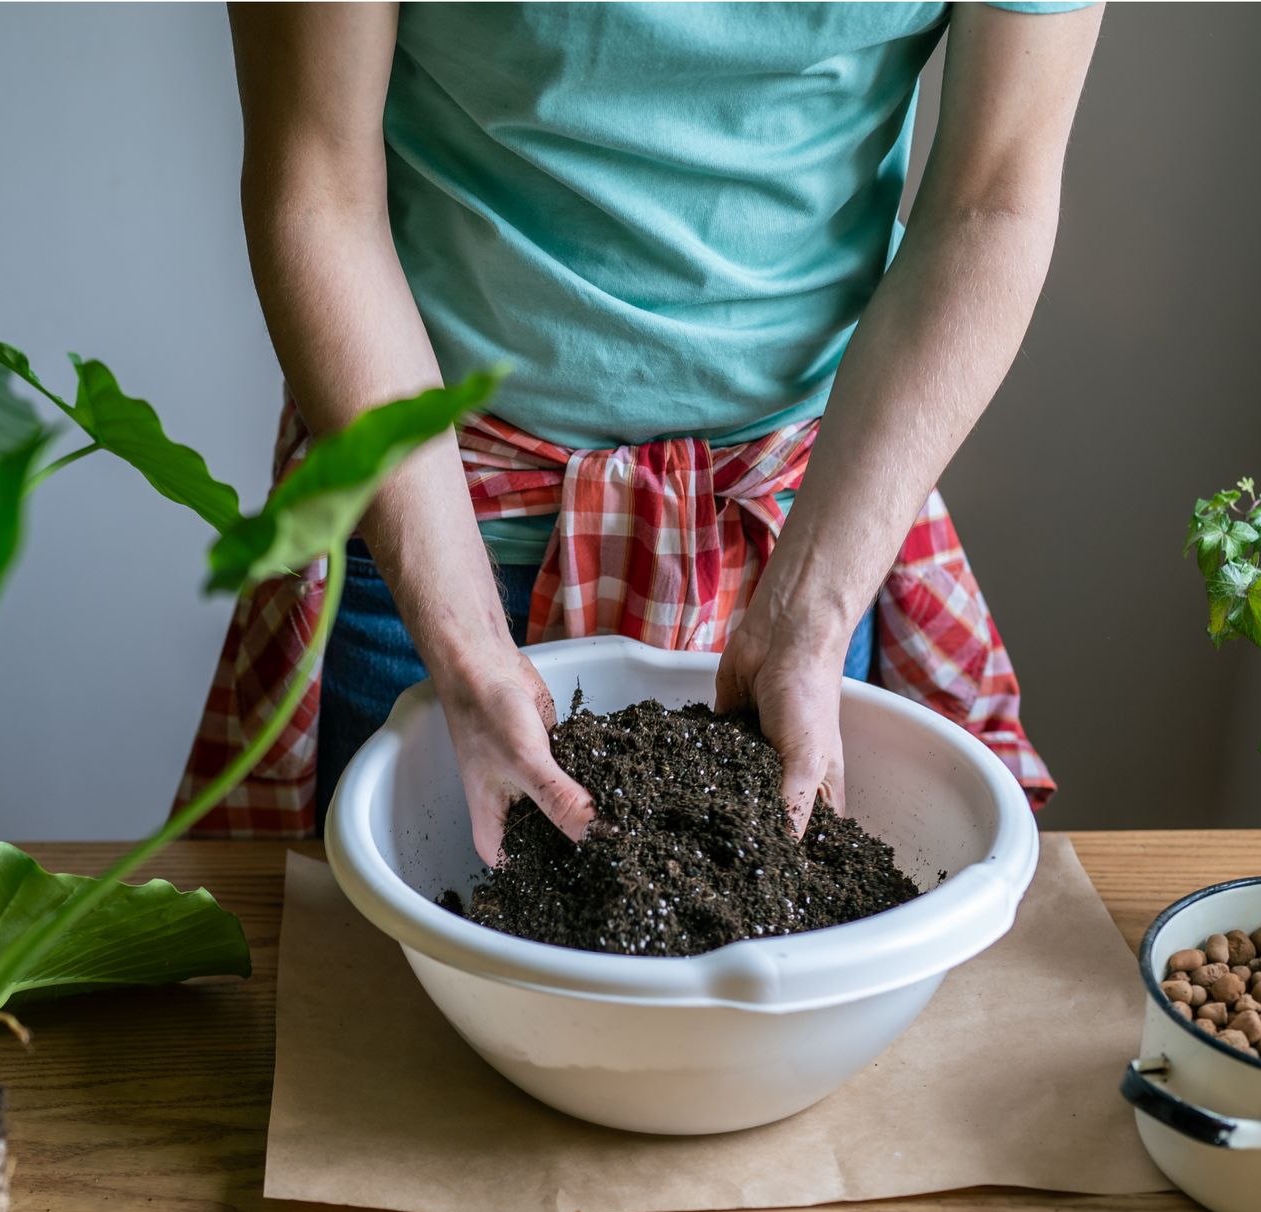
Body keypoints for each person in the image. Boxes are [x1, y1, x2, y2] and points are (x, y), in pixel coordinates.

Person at [180, 0, 1097, 858]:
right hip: (435, 524)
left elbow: (993, 201)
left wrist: (809, 617)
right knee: (384, 1008)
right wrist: (462, 638)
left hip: (796, 531)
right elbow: (319, 192)